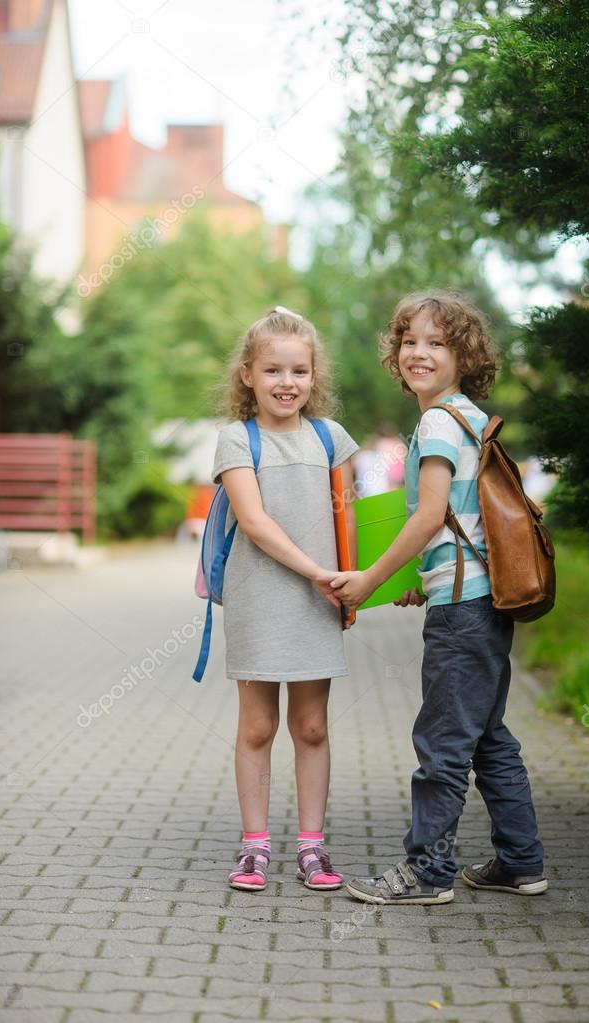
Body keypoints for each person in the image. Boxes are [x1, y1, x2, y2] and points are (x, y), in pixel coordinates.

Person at [330, 291, 547, 905]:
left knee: (444, 742)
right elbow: (462, 522)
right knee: (486, 736)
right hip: (483, 602)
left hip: (464, 612)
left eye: (437, 342)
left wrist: (370, 579)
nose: (419, 353)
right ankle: (521, 862)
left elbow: (429, 517)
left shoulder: (435, 422)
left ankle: (427, 874)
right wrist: (420, 579)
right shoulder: (472, 418)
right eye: (410, 341)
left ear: (465, 355)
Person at [210, 306, 359, 893]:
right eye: (273, 370)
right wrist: (319, 572)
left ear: (314, 375)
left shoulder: (331, 438)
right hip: (261, 600)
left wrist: (368, 581)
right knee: (256, 727)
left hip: (319, 601)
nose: (286, 382)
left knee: (313, 726)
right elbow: (254, 522)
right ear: (248, 374)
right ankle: (253, 848)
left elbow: (353, 525)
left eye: (299, 370)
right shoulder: (235, 440)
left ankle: (312, 848)